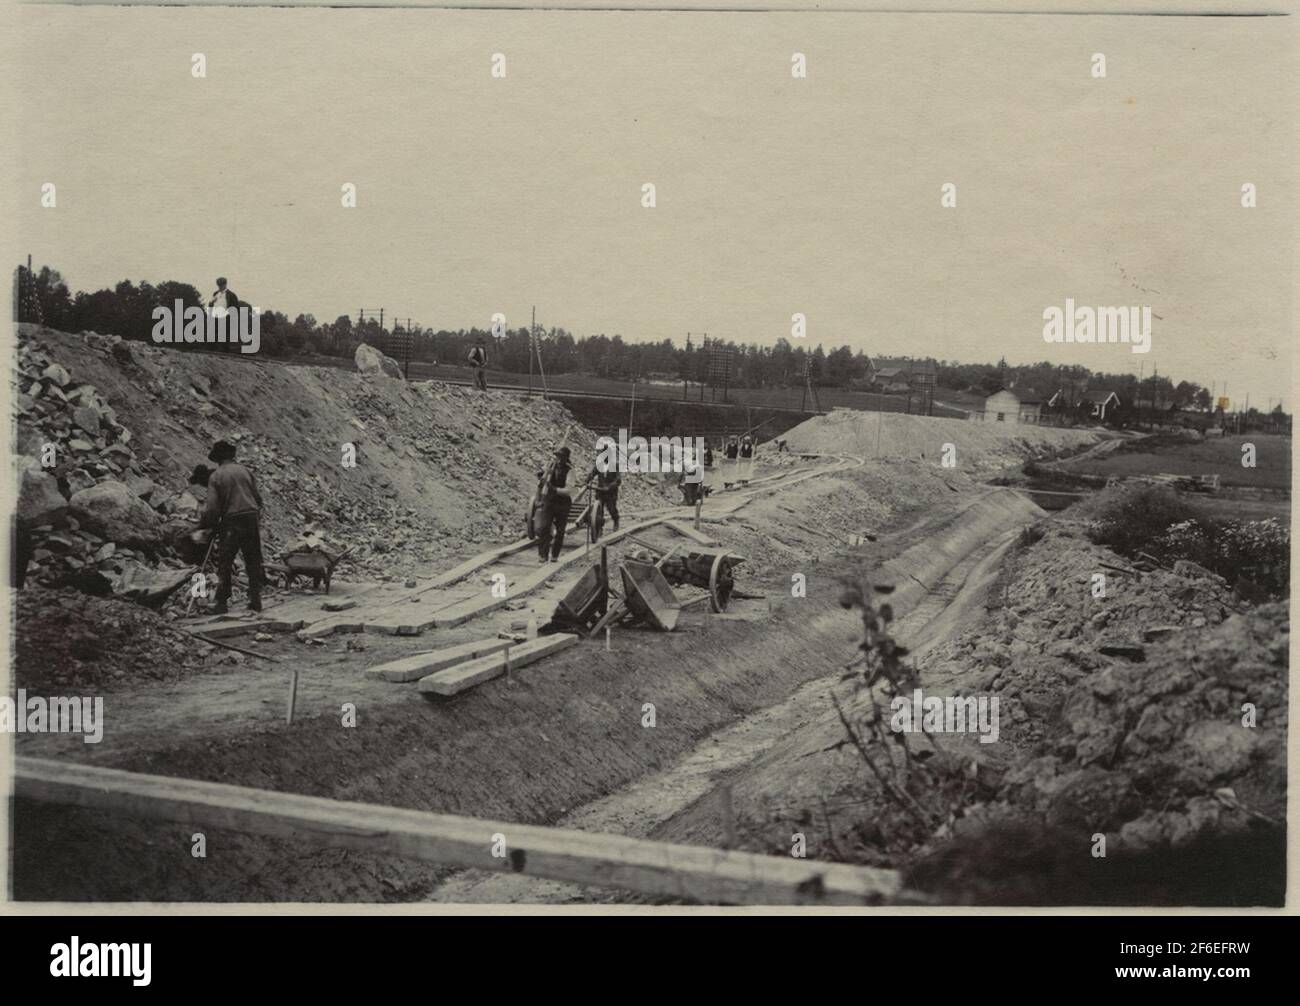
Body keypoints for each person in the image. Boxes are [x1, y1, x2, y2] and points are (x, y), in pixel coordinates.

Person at [199, 440, 266, 614]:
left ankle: (222, 602)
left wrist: (210, 525)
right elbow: (258, 499)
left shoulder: (216, 476)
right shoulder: (245, 471)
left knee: (225, 561)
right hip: (251, 518)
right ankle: (256, 600)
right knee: (253, 560)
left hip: (232, 521)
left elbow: (212, 508)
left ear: (218, 459)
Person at [535, 446, 573, 563]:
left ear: (566, 458)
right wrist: (542, 478)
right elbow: (541, 484)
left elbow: (568, 490)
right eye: (558, 457)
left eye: (562, 457)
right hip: (549, 501)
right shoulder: (550, 467)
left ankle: (555, 555)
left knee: (560, 530)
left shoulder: (570, 470)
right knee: (544, 527)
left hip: (562, 503)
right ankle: (543, 555)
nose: (559, 459)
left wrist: (555, 489)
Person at [583, 459, 622, 539]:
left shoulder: (615, 465)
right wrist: (586, 481)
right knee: (599, 511)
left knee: (611, 509)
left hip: (611, 493)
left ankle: (616, 521)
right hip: (600, 491)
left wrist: (609, 487)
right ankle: (599, 528)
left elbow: (618, 480)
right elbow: (592, 474)